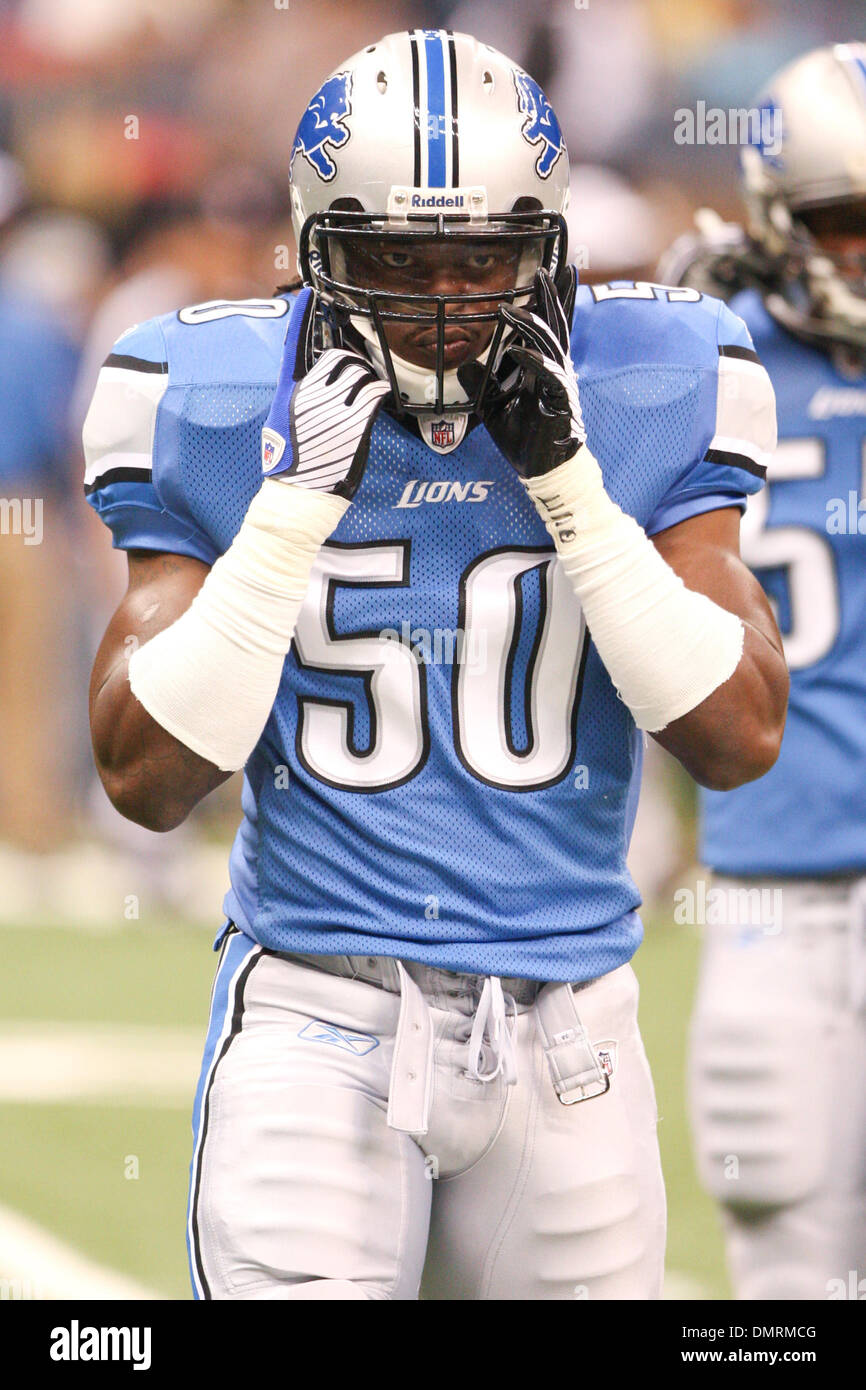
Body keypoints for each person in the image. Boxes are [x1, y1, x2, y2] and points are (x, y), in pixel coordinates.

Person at [84, 29, 785, 1301]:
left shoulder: (651, 380)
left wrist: (569, 485)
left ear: (549, 247)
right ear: (313, 246)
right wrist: (291, 508)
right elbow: (144, 773)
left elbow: (734, 735)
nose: (446, 303)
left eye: (485, 260)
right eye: (395, 262)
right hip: (315, 1010)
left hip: (568, 1016)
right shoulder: (208, 390)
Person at [658, 42, 866, 1301]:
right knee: (782, 1255)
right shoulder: (701, 362)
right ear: (779, 223)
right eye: (850, 225)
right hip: (766, 889)